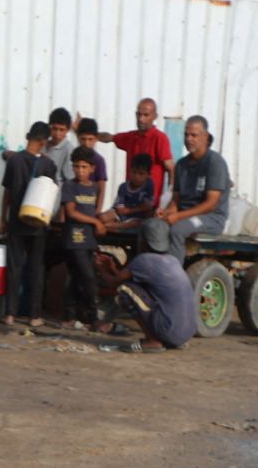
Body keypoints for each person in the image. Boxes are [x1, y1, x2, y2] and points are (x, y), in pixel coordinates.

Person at [0, 121, 57, 325]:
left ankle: (10, 314)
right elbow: (50, 194)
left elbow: (6, 192)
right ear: (44, 141)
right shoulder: (48, 165)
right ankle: (34, 316)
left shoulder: (14, 161)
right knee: (36, 268)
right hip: (38, 223)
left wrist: (3, 218)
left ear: (28, 136)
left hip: (15, 220)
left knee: (14, 267)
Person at [111, 217, 198, 350]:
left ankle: (152, 341)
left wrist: (102, 268)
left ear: (144, 241)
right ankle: (171, 339)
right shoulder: (173, 260)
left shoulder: (143, 260)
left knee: (125, 289)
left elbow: (114, 281)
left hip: (169, 331)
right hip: (186, 333)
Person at [56, 150, 107, 329]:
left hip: (89, 239)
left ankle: (69, 317)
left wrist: (100, 223)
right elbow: (71, 212)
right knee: (88, 277)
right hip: (74, 238)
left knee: (77, 277)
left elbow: (94, 211)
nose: (80, 170)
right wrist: (95, 222)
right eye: (76, 166)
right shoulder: (70, 186)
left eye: (84, 167)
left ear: (92, 168)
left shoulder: (94, 188)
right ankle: (93, 316)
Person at [164, 114, 231, 249]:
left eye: (194, 135)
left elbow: (211, 204)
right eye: (186, 135)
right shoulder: (181, 165)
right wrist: (167, 212)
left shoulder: (215, 163)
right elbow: (175, 200)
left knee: (177, 229)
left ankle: (172, 269)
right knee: (152, 226)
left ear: (205, 137)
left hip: (211, 218)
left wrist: (178, 216)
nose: (189, 139)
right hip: (185, 214)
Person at [110, 97, 173, 207]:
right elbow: (109, 138)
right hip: (129, 200)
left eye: (146, 115)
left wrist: (169, 195)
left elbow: (171, 168)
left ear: (155, 116)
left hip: (149, 205)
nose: (141, 119)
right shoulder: (131, 137)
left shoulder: (160, 138)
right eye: (139, 114)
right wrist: (86, 131)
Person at [107, 152, 158, 231]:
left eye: (141, 174)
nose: (136, 176)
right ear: (130, 171)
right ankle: (112, 226)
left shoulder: (149, 185)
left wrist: (129, 210)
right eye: (134, 172)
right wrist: (125, 211)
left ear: (148, 174)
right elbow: (120, 209)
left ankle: (109, 226)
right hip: (120, 215)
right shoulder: (123, 186)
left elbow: (148, 206)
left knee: (138, 223)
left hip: (137, 217)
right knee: (103, 217)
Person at [68, 117, 109, 186]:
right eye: (83, 139)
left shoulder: (99, 160)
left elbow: (101, 186)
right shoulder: (73, 156)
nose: (86, 143)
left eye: (90, 139)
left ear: (96, 139)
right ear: (78, 138)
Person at [43, 106, 77, 178]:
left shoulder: (69, 149)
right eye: (54, 129)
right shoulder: (42, 145)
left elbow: (70, 178)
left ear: (68, 130)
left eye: (61, 130)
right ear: (49, 127)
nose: (57, 134)